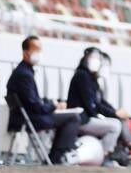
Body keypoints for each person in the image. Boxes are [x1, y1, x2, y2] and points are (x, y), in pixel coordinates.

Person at [6, 36, 81, 164]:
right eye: (36, 50)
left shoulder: (23, 72)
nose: (39, 54)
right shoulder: (24, 74)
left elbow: (33, 102)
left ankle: (55, 157)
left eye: (40, 50)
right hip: (30, 119)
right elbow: (35, 106)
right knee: (73, 117)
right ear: (25, 52)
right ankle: (55, 159)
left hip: (27, 117)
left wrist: (51, 105)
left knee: (69, 117)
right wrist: (54, 106)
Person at [67, 46, 131, 166]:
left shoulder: (91, 79)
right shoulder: (82, 76)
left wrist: (116, 112)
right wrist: (113, 114)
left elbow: (100, 102)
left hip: (88, 117)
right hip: (81, 120)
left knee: (118, 120)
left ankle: (127, 148)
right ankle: (103, 157)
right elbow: (92, 105)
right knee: (115, 126)